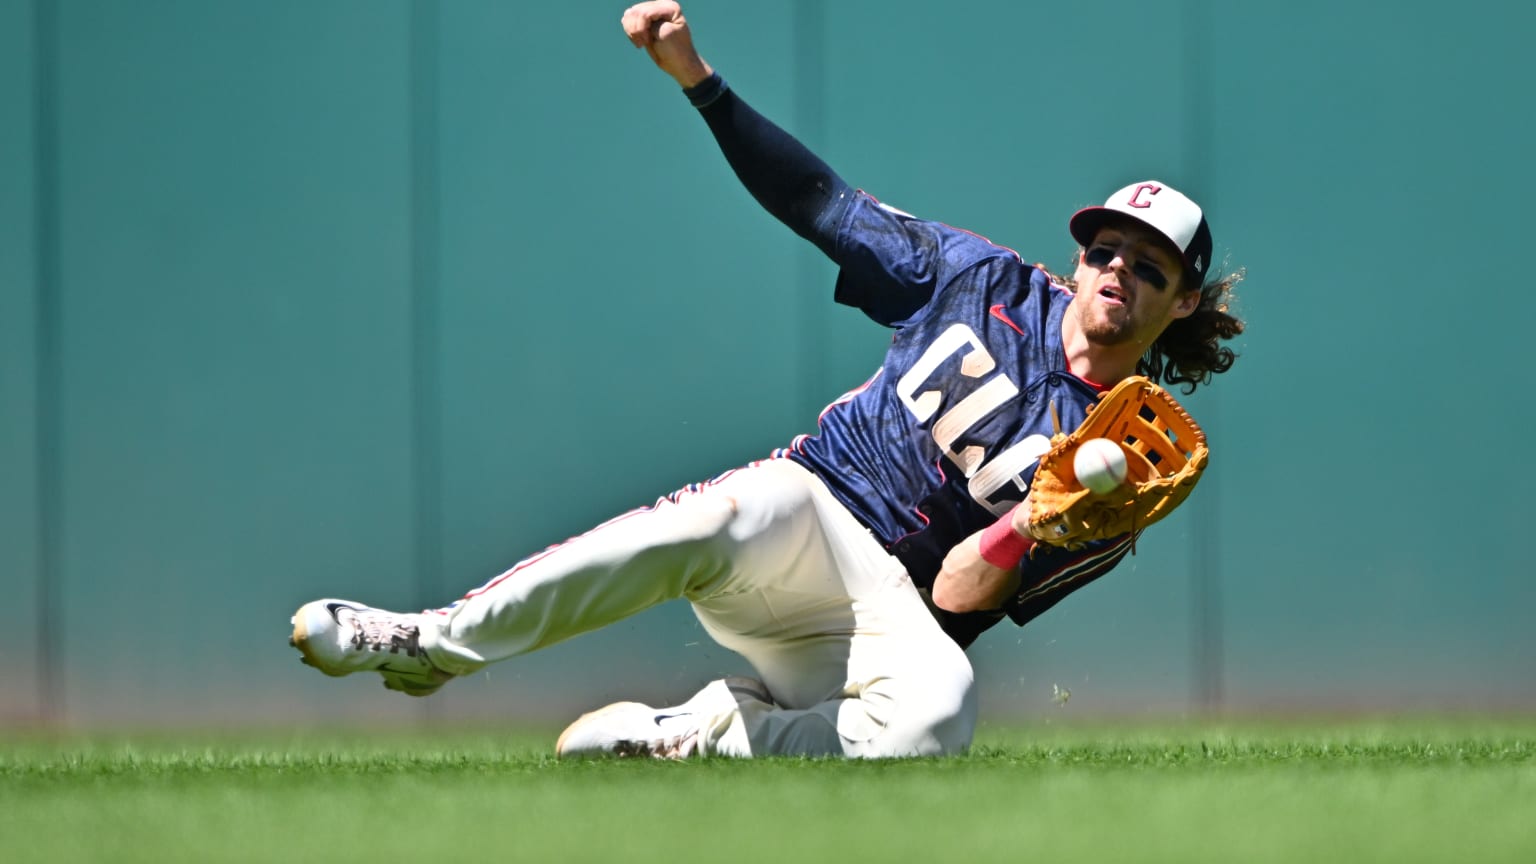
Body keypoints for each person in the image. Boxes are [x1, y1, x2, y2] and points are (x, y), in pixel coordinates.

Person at [289, 0, 1245, 759]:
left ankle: (708, 734)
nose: (1119, 270)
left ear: (1186, 302)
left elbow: (957, 607)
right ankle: (430, 643)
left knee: (940, 716)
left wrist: (1025, 522)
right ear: (1078, 260)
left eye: (1150, 266)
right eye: (1107, 249)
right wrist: (699, 83)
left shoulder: (1125, 463)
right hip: (813, 509)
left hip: (886, 622)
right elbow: (822, 205)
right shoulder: (980, 279)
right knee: (707, 520)